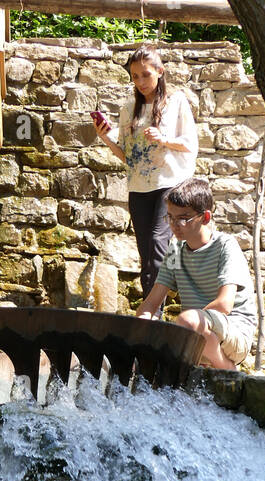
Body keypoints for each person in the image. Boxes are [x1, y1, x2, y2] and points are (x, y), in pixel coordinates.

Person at [91, 44, 198, 300]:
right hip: (138, 188)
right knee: (145, 252)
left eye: (146, 74)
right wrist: (105, 137)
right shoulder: (129, 109)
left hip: (169, 184)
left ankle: (153, 313)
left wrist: (163, 139)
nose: (140, 81)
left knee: (156, 243)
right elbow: (128, 157)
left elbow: (190, 144)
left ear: (160, 71)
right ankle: (152, 308)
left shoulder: (176, 101)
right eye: (135, 76)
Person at [137, 177, 256, 370]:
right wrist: (141, 328)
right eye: (170, 217)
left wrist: (184, 329)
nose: (175, 225)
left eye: (183, 218)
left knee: (188, 320)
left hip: (233, 334)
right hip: (193, 333)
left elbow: (224, 305)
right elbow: (151, 304)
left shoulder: (226, 246)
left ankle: (226, 369)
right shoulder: (175, 249)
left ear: (205, 217)